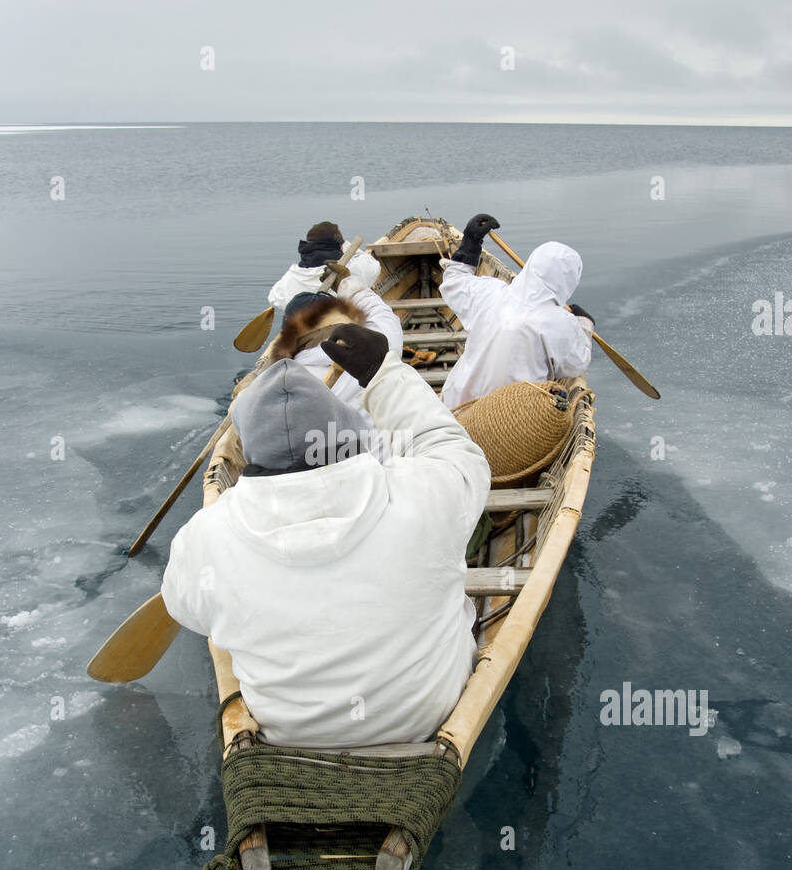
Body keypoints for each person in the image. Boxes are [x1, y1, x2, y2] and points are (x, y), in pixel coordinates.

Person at [160, 325, 490, 749]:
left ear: (249, 451)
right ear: (345, 432)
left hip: (289, 735)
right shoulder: (424, 493)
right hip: (426, 718)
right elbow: (451, 447)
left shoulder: (204, 538)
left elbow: (187, 612)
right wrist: (383, 373)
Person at [438, 214, 595, 410]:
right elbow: (576, 363)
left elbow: (454, 283)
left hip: (456, 406)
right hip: (511, 421)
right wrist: (584, 325)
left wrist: (470, 244)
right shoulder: (559, 323)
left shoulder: (491, 292)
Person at [267, 222, 404, 407]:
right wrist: (345, 265)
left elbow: (274, 297)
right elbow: (382, 309)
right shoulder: (376, 351)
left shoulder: (288, 280)